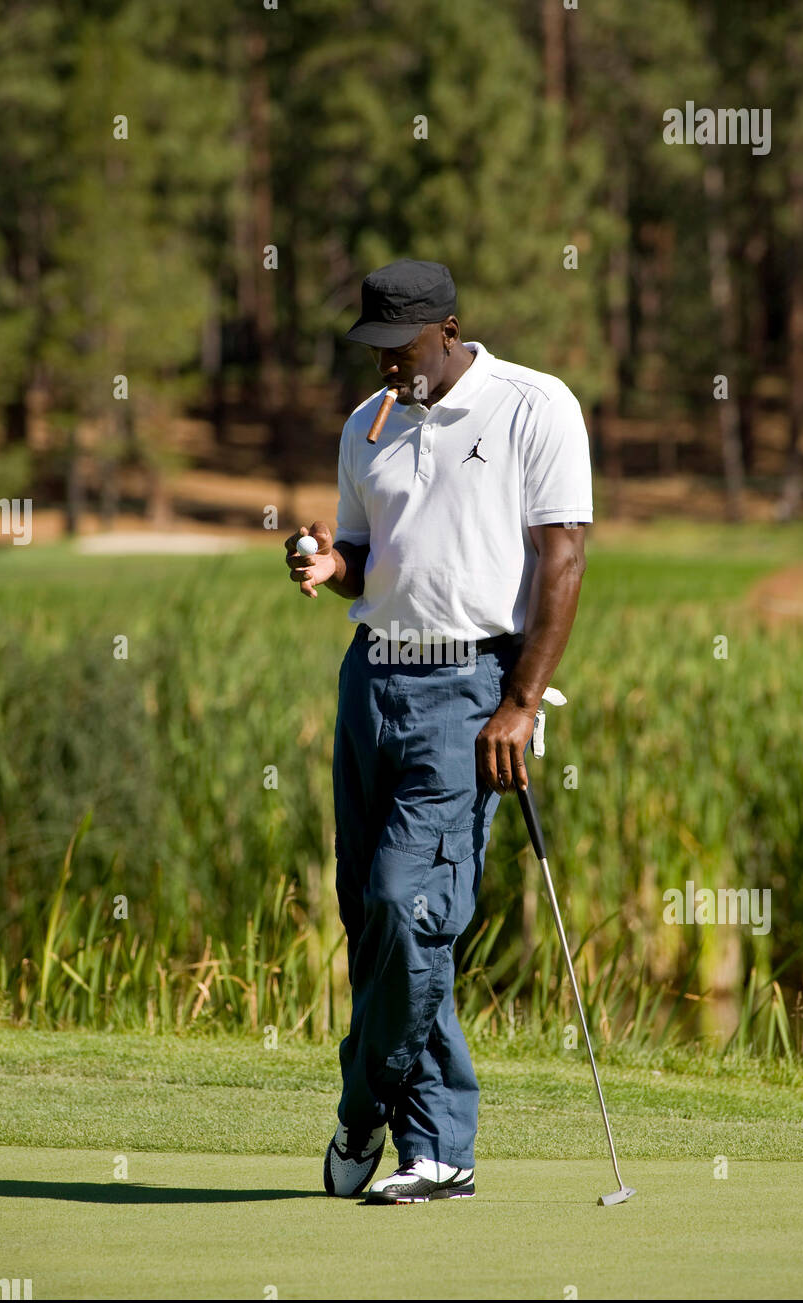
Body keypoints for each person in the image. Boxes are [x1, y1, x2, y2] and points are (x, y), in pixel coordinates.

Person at [285, 259, 592, 1204]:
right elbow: (366, 559)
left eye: (400, 347)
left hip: (471, 686)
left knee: (407, 904)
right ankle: (428, 1143)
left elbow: (564, 557)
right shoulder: (366, 426)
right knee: (372, 917)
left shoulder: (534, 406)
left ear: (449, 329)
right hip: (370, 681)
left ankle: (373, 1114)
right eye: (372, 348)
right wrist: (330, 562)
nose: (384, 366)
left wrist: (522, 703)